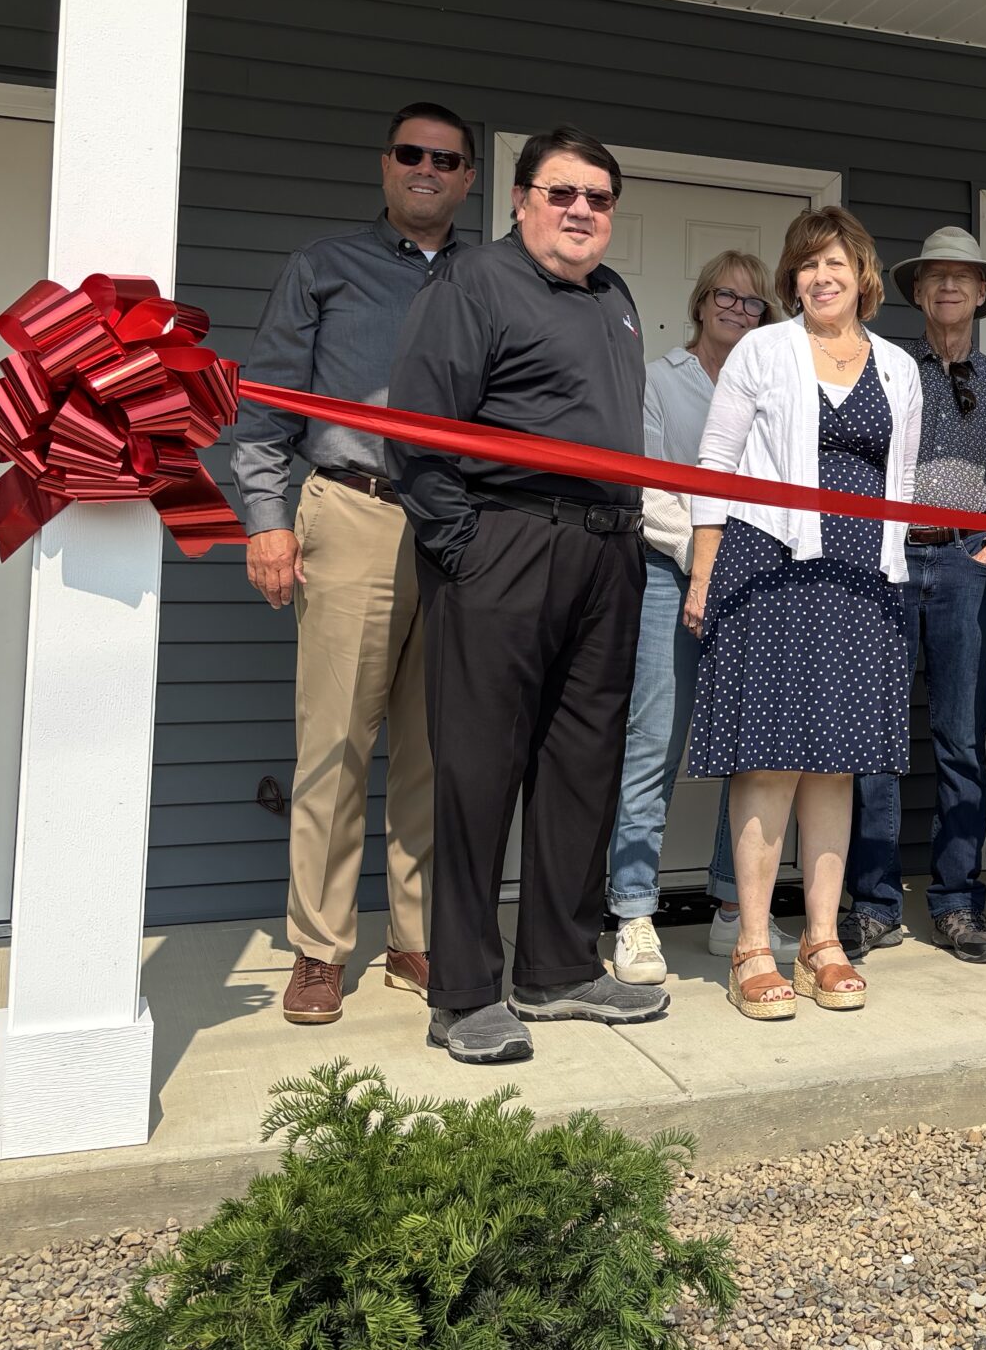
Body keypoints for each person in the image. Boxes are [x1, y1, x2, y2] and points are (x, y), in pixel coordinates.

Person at [390, 126, 667, 1065]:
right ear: (519, 199)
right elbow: (417, 428)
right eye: (562, 193)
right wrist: (463, 546)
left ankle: (556, 968)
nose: (581, 210)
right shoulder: (475, 282)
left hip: (607, 554)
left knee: (583, 764)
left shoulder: (617, 299)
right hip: (503, 543)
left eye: (598, 197)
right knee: (477, 772)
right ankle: (463, 992)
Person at [233, 103, 474, 1025]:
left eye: (445, 160)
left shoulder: (490, 277)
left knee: (432, 745)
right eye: (411, 154)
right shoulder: (323, 268)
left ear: (466, 179)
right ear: (386, 167)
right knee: (335, 743)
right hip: (354, 510)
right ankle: (318, 949)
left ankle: (412, 938)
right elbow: (262, 409)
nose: (426, 169)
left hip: (457, 527)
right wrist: (267, 521)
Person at [687, 207, 921, 1019]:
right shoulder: (762, 348)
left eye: (835, 263)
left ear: (863, 273)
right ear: (792, 281)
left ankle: (823, 939)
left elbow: (900, 484)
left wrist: (894, 574)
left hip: (864, 574)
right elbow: (715, 464)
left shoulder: (898, 367)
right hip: (771, 564)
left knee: (838, 760)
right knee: (771, 758)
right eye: (806, 266)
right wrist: (702, 575)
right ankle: (754, 943)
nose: (820, 278)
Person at [843, 226, 986, 965]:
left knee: (959, 739)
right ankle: (876, 904)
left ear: (982, 294)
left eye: (964, 278)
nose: (949, 288)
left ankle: (957, 902)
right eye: (936, 278)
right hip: (886, 562)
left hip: (960, 568)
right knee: (877, 741)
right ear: (917, 292)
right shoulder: (881, 368)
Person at [602, 250, 782, 986]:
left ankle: (736, 908)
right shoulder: (660, 379)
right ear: (701, 302)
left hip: (753, 583)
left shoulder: (772, 387)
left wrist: (738, 561)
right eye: (727, 299)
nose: (739, 312)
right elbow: (647, 482)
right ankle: (634, 909)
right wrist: (702, 556)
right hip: (665, 575)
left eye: (753, 305)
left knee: (752, 748)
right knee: (655, 741)